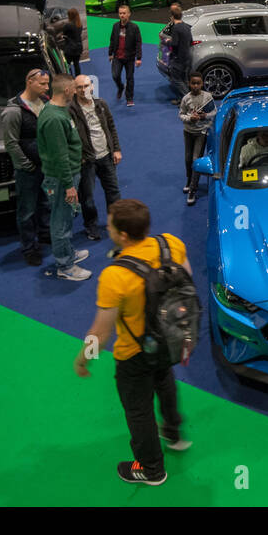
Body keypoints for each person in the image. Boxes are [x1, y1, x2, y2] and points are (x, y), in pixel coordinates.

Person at [73, 199, 192, 486]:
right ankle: (174, 433)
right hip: (170, 339)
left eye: (111, 224)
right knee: (164, 381)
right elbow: (187, 284)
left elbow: (101, 333)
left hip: (135, 353)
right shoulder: (171, 244)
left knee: (138, 410)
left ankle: (151, 469)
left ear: (122, 235)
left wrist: (83, 358)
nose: (109, 227)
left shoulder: (115, 276)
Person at [37, 73, 89, 281]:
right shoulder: (54, 118)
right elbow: (60, 156)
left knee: (67, 217)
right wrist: (69, 185)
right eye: (75, 88)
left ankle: (68, 253)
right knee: (60, 221)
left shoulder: (59, 111)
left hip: (67, 175)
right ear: (67, 90)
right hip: (61, 179)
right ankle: (64, 265)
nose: (78, 91)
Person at [2, 69, 52, 266]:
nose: (46, 88)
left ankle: (45, 234)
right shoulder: (13, 111)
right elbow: (11, 144)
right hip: (27, 171)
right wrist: (26, 165)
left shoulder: (45, 103)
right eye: (42, 84)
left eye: (47, 84)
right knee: (27, 211)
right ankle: (29, 247)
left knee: (45, 202)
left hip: (45, 166)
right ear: (29, 82)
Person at [69, 75, 122, 241]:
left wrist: (116, 149)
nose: (83, 90)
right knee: (88, 197)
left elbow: (111, 127)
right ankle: (91, 225)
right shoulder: (70, 110)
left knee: (113, 191)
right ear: (74, 89)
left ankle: (115, 223)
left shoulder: (101, 104)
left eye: (86, 86)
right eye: (79, 87)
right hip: (86, 160)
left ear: (91, 86)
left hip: (106, 155)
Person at [179, 73, 215, 205]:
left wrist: (205, 116)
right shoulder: (186, 99)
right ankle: (189, 180)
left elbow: (214, 112)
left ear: (202, 83)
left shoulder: (207, 97)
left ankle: (193, 190)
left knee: (196, 160)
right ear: (189, 83)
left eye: (198, 83)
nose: (195, 86)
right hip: (188, 132)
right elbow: (181, 114)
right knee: (187, 159)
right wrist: (190, 118)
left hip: (202, 132)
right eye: (193, 83)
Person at [109, 3, 142, 107]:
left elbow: (138, 43)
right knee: (115, 76)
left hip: (129, 58)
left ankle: (129, 98)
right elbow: (112, 40)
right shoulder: (115, 26)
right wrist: (110, 53)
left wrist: (138, 58)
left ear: (129, 14)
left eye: (124, 13)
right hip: (117, 57)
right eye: (120, 13)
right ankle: (120, 87)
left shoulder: (134, 27)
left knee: (130, 78)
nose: (122, 15)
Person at [163, 4, 193, 105]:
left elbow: (174, 44)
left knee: (176, 80)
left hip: (178, 58)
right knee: (184, 79)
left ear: (172, 17)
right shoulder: (187, 26)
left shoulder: (176, 28)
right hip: (187, 57)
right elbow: (191, 41)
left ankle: (188, 100)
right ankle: (182, 100)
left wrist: (167, 41)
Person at [60, 8, 84, 75]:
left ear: (70, 15)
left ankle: (70, 78)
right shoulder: (80, 24)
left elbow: (64, 34)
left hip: (70, 48)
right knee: (76, 64)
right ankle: (78, 78)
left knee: (67, 65)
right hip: (78, 47)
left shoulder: (68, 25)